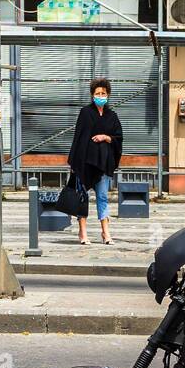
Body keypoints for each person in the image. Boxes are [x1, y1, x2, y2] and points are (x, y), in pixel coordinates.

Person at [68, 78, 124, 245]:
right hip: (85, 163)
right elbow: (78, 137)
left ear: (108, 95)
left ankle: (105, 232)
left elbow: (118, 137)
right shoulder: (85, 113)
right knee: (82, 197)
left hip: (103, 163)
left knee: (102, 196)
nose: (100, 96)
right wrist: (74, 163)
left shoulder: (112, 116)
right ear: (92, 95)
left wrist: (105, 137)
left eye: (103, 93)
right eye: (97, 93)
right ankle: (83, 232)